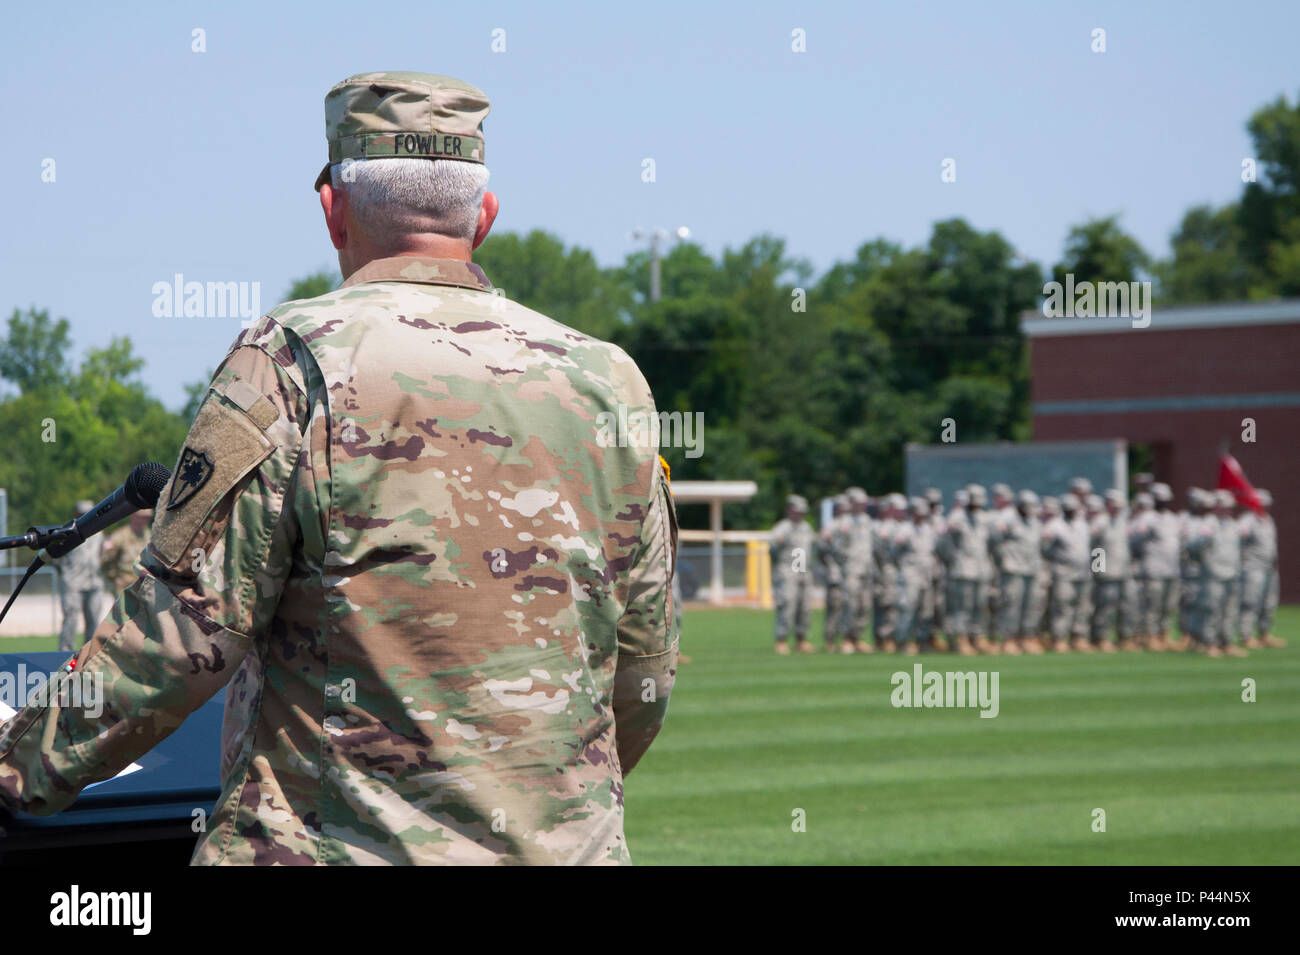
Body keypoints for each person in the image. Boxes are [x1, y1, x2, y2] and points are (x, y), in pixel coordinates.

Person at [1, 72, 678, 865]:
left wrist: (17, 768)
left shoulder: (290, 360)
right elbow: (644, 670)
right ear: (484, 219)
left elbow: (178, 638)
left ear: (333, 211)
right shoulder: (610, 381)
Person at [48, 500, 107, 652]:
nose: (86, 516)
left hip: (94, 581)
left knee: (94, 618)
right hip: (72, 582)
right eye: (82, 514)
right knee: (71, 617)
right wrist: (66, 573)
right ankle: (65, 651)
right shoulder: (66, 532)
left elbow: (102, 554)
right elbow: (55, 557)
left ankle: (90, 652)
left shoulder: (99, 533)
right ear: (76, 515)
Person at [1238, 489, 1285, 649]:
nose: (1265, 507)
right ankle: (1247, 635)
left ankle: (1264, 633)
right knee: (1251, 601)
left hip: (1269, 567)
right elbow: (1239, 536)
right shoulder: (1248, 520)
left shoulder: (1268, 520)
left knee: (1269, 602)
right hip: (1253, 567)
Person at [771, 494, 816, 654]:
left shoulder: (806, 528)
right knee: (787, 605)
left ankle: (801, 639)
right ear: (789, 510)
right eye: (797, 511)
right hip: (787, 571)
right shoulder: (782, 527)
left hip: (803, 570)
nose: (800, 514)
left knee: (804, 607)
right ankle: (781, 640)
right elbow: (772, 551)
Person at [100, 510, 153, 592]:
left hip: (145, 587)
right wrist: (113, 577)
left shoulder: (150, 536)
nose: (145, 520)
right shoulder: (120, 536)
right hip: (124, 586)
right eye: (142, 517)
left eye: (147, 518)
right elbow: (107, 559)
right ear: (133, 516)